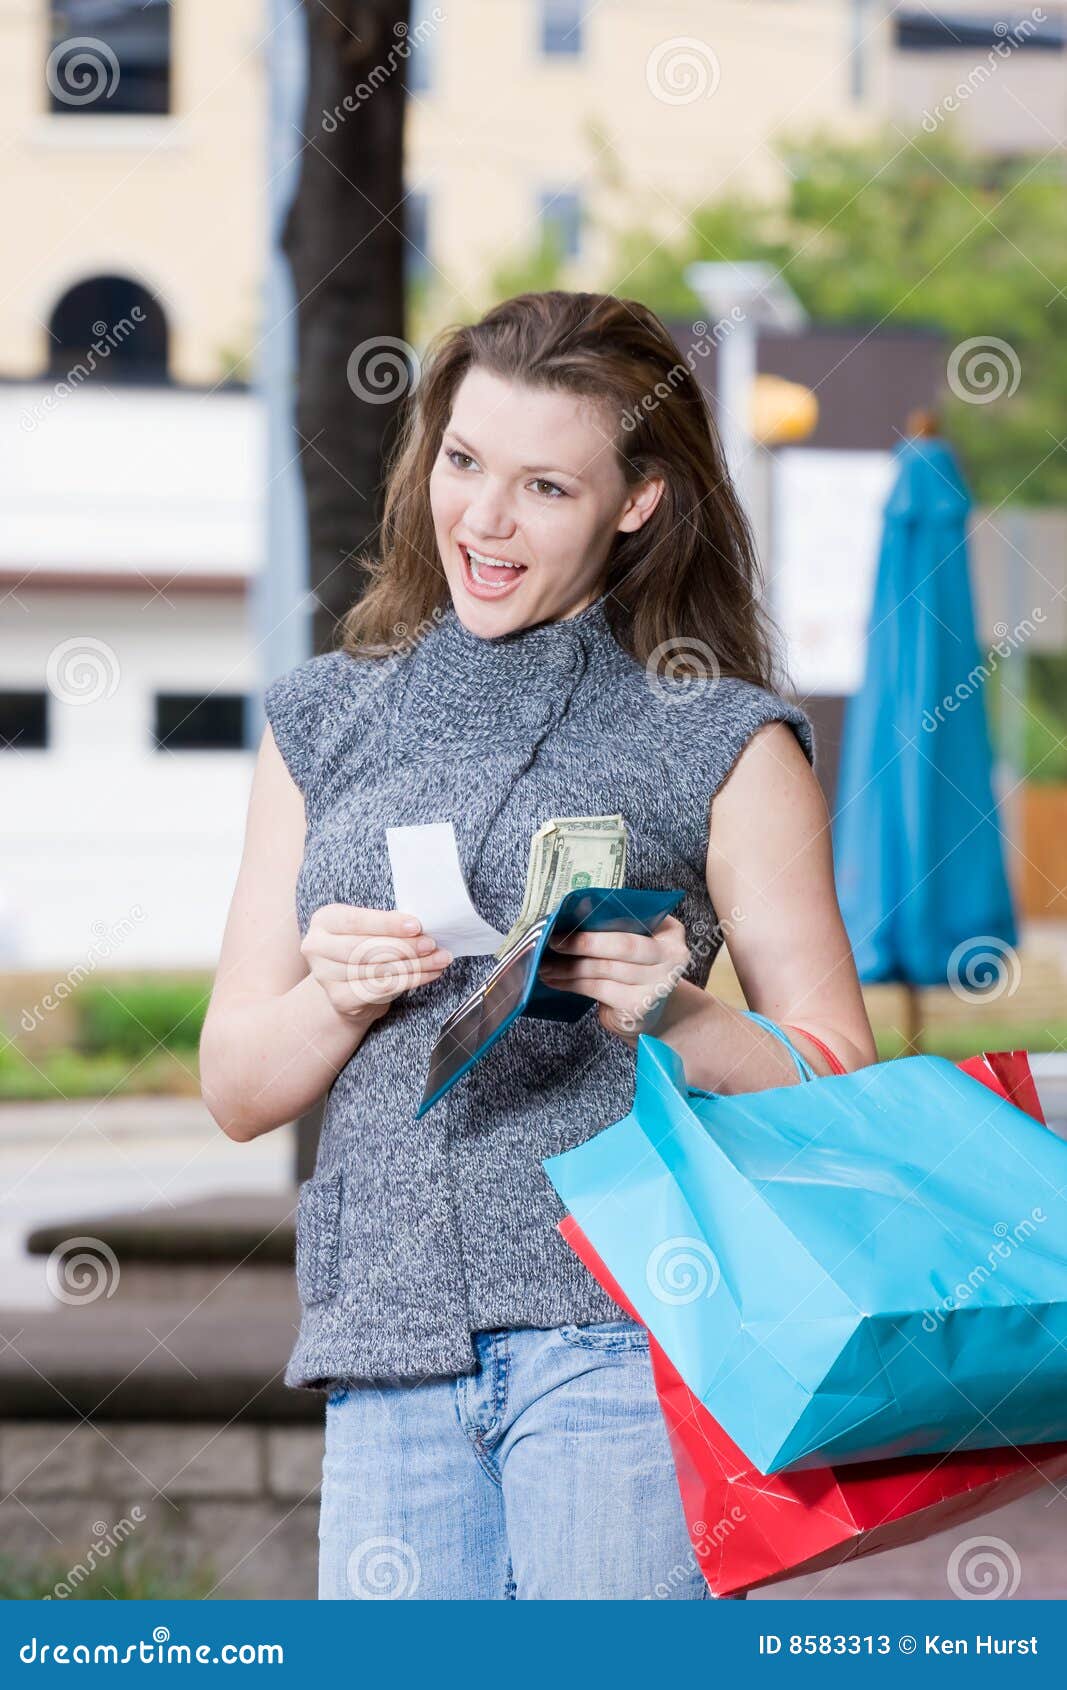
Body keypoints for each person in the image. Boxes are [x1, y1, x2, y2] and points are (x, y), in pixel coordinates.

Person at [199, 290, 878, 1600]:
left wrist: (685, 1015)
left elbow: (840, 1073)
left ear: (638, 502)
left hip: (626, 1343)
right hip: (386, 1348)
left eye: (545, 486)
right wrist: (337, 997)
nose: (483, 520)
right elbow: (235, 1085)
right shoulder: (323, 721)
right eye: (463, 461)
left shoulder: (723, 739)